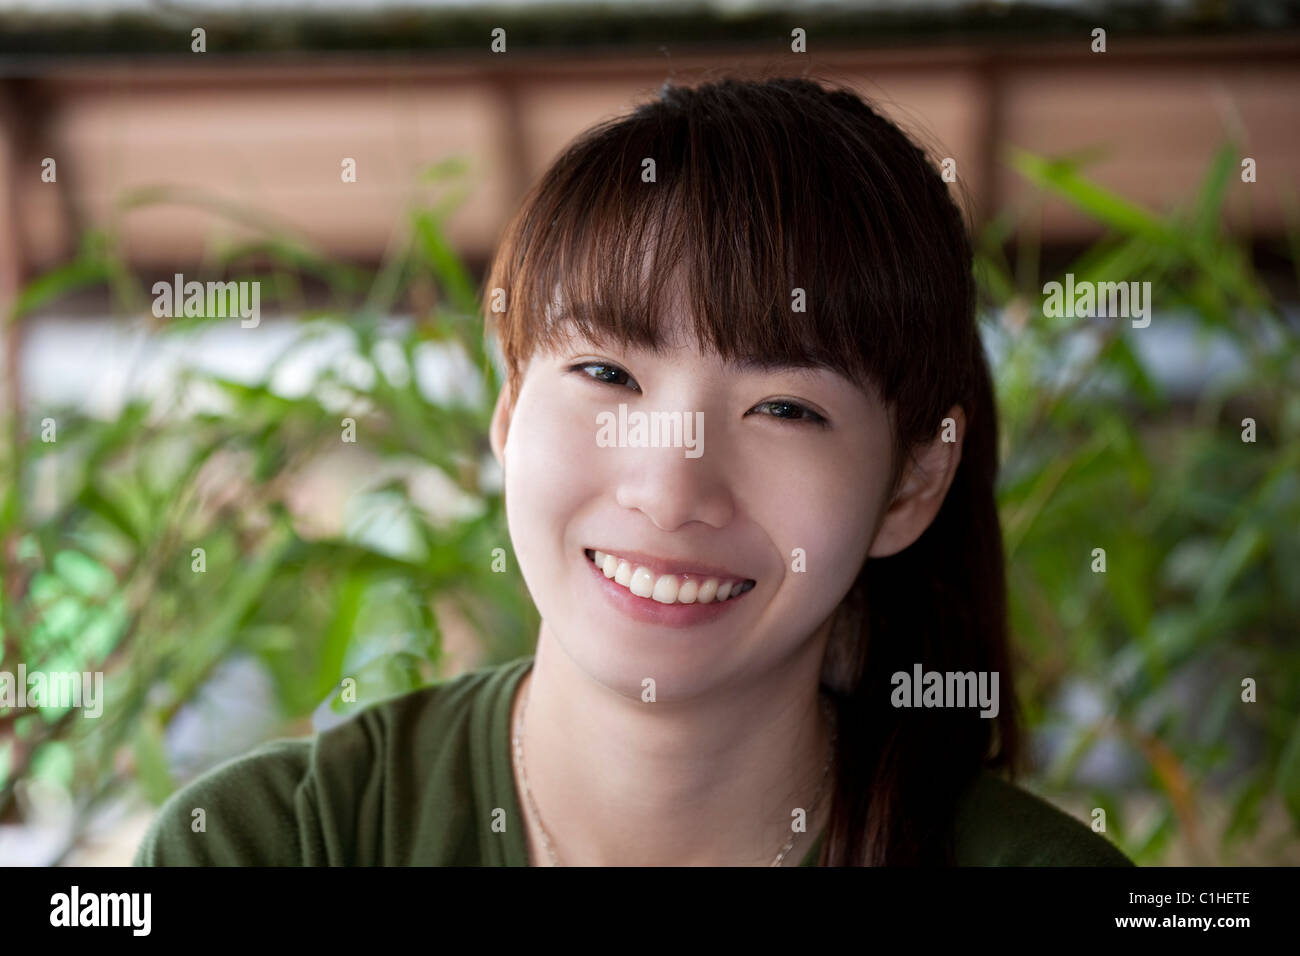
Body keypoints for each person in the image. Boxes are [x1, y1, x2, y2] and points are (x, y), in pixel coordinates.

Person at [134, 73, 1133, 867]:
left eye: (785, 407)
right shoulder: (266, 845)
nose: (668, 489)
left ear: (912, 482)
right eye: (607, 372)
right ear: (510, 406)